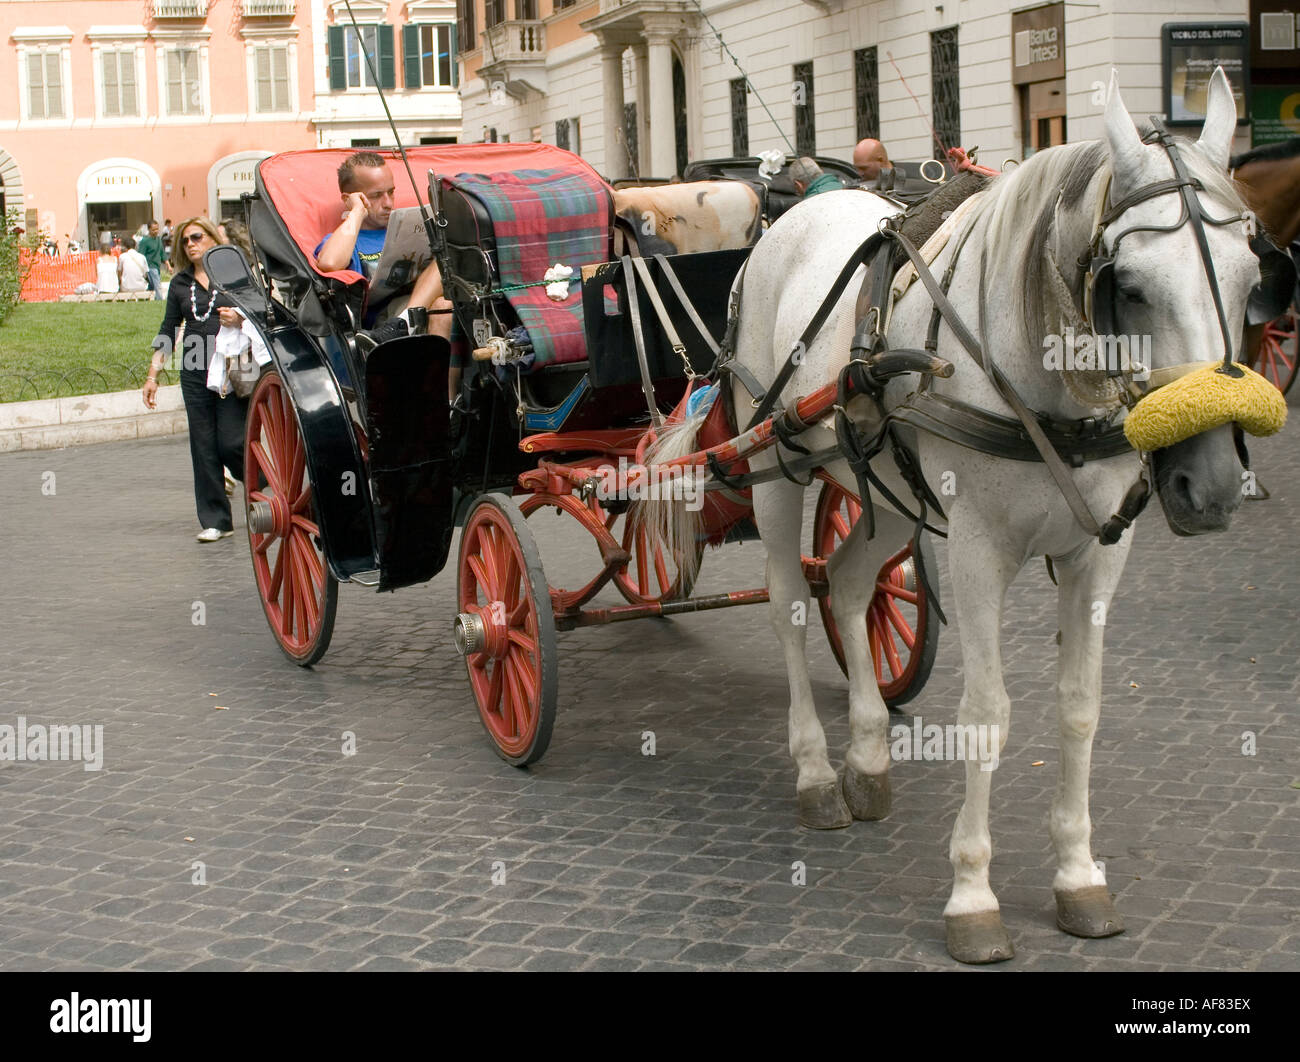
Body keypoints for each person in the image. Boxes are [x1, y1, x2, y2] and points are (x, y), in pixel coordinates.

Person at [141, 217, 249, 543]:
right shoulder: (179, 284)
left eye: (197, 237)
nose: (191, 244)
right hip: (194, 367)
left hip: (231, 368)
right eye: (184, 240)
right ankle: (217, 520)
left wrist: (240, 316)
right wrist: (152, 375)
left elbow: (261, 310)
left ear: (213, 238)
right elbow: (168, 330)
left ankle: (264, 485)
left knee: (230, 442)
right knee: (203, 447)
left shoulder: (233, 273)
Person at [138, 220, 166, 300]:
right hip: (150, 266)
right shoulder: (145, 241)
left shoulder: (158, 239)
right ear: (149, 229)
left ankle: (146, 299)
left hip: (157, 266)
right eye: (153, 230)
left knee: (152, 285)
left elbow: (162, 253)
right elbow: (141, 255)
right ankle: (160, 299)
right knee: (157, 285)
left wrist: (168, 265)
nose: (156, 231)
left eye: (157, 229)